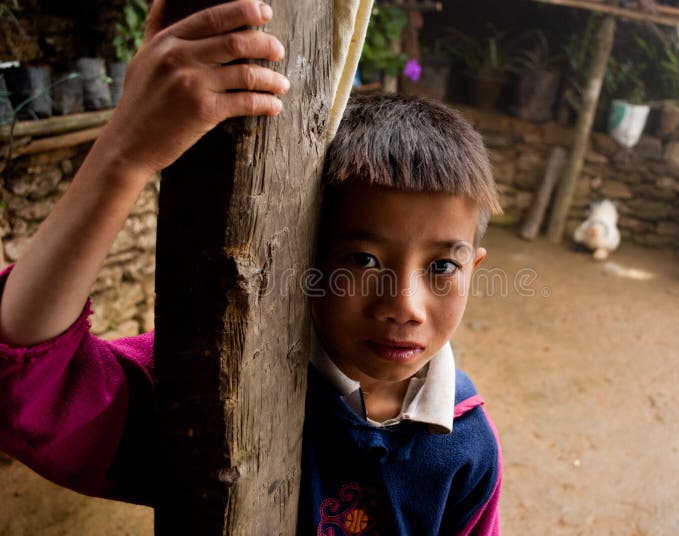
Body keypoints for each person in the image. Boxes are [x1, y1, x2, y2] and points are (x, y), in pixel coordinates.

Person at [0, 1, 502, 533]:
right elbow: (28, 379)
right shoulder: (217, 375)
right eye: (361, 259)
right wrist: (126, 155)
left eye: (443, 266)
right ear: (306, 258)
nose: (404, 305)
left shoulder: (467, 450)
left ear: (476, 268)